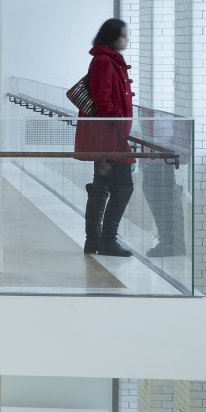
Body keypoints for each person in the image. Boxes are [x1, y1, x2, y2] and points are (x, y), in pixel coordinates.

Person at [74, 18, 136, 257]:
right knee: (123, 187)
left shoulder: (107, 61)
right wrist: (119, 125)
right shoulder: (104, 62)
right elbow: (103, 100)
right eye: (123, 35)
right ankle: (107, 240)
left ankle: (94, 240)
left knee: (101, 187)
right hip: (110, 136)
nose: (126, 39)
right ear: (112, 37)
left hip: (109, 134)